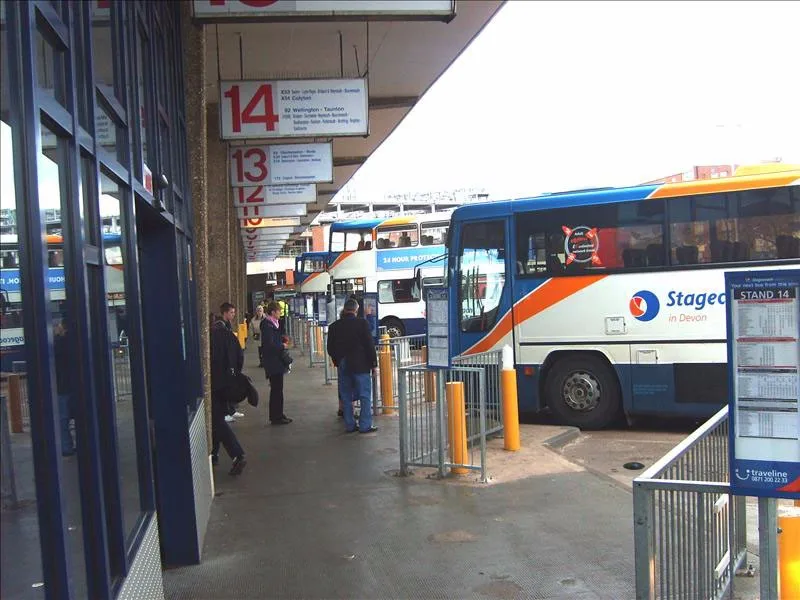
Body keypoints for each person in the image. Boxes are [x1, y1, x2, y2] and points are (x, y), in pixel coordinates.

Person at [327, 298, 378, 433]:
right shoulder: (362, 324)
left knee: (346, 396)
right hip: (361, 365)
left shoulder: (334, 326)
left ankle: (350, 425)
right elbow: (369, 345)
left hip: (343, 365)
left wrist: (337, 360)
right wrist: (374, 364)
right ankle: (365, 425)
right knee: (364, 395)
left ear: (345, 309)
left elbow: (330, 348)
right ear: (356, 309)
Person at [210, 302, 247, 475]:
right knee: (215, 419)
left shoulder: (210, 337)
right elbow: (239, 356)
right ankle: (214, 454)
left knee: (216, 420)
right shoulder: (228, 335)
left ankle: (237, 454)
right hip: (225, 383)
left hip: (212, 385)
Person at [261, 301, 292, 425]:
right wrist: (282, 345)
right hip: (273, 362)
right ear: (273, 312)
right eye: (279, 311)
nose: (280, 313)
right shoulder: (268, 325)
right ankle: (276, 416)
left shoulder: (273, 324)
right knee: (276, 390)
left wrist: (282, 340)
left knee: (278, 389)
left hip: (276, 361)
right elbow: (270, 344)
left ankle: (279, 413)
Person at [53, 319, 76, 456]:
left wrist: (57, 336)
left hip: (62, 386)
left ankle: (66, 447)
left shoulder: (59, 342)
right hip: (77, 385)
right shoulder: (77, 341)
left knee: (63, 419)